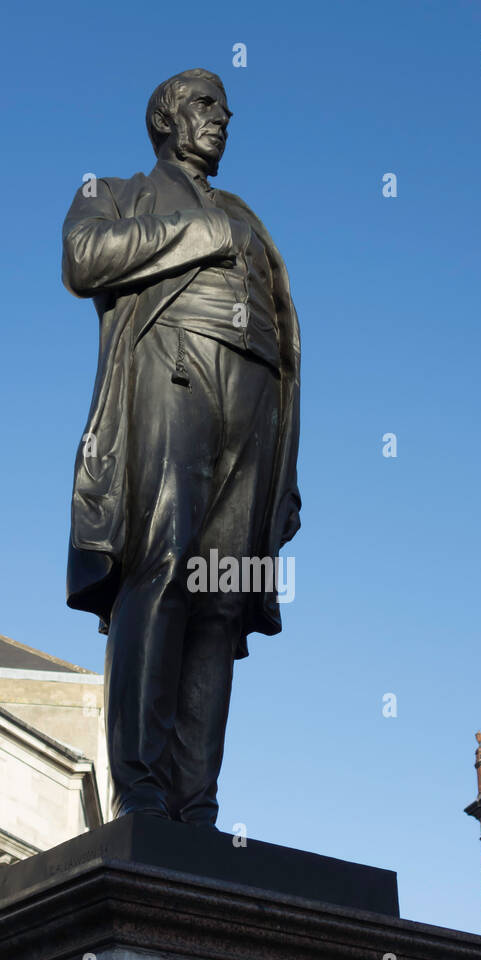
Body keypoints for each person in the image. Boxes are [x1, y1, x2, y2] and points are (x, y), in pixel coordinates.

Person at [62, 69, 301, 824]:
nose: (223, 119)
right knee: (161, 566)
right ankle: (140, 789)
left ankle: (197, 802)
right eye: (205, 106)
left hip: (255, 393)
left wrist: (288, 463)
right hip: (174, 373)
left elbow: (286, 334)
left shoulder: (247, 214)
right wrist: (201, 235)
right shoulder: (114, 190)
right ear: (164, 119)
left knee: (222, 597)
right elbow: (83, 259)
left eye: (226, 110)